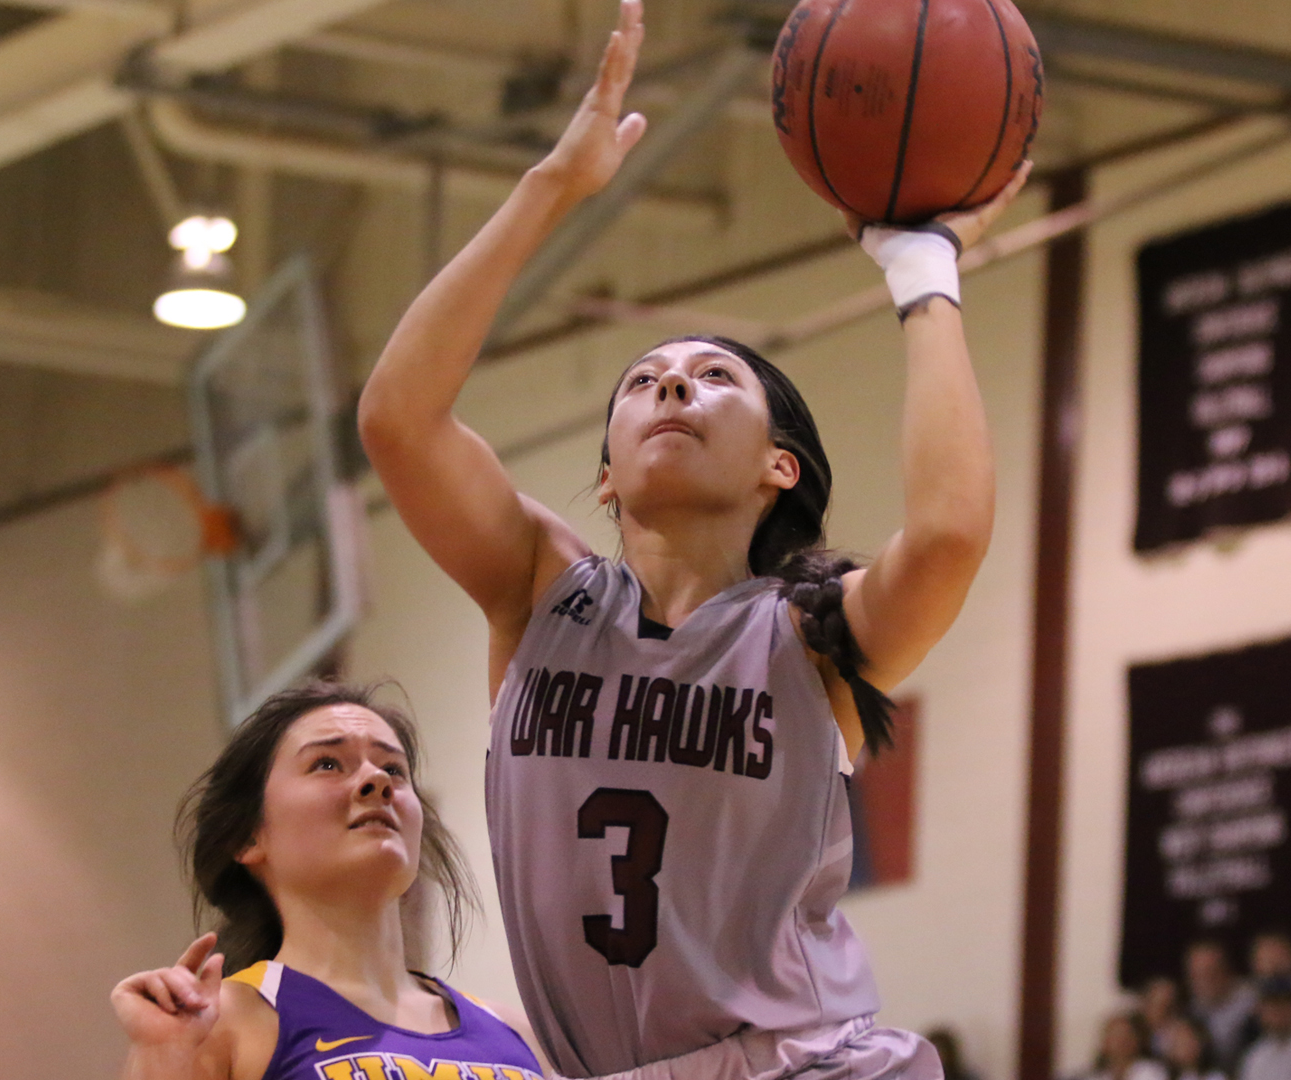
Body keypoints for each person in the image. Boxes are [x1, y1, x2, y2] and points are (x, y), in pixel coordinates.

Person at [356, 0, 1028, 1075]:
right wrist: (550, 190)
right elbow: (396, 419)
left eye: (718, 377)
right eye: (644, 381)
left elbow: (948, 535)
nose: (674, 381)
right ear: (609, 478)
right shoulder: (539, 591)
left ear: (780, 468)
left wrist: (923, 271)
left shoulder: (810, 636)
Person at [110, 685, 548, 1080]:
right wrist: (162, 1058)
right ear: (247, 836)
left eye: (394, 769)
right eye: (327, 763)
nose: (377, 781)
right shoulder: (218, 1023)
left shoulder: (519, 1034)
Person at [1185, 939, 1258, 1073]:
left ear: (1227, 971)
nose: (1203, 982)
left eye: (1210, 973)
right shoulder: (1193, 1011)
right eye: (1196, 976)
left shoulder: (1252, 1008)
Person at [1081, 1012, 1168, 1080]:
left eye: (1127, 1035)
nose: (1122, 1041)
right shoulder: (1095, 1077)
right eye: (1116, 1036)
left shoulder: (1151, 1072)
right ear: (1105, 1043)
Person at [1157, 1014, 1226, 1080]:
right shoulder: (1160, 1075)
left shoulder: (1215, 1076)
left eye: (1190, 1040)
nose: (1186, 1047)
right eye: (1180, 1042)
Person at [1140, 976, 1185, 1058]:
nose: (1163, 1010)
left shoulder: (1181, 1035)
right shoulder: (1135, 1030)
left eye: (1169, 1005)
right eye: (1159, 1004)